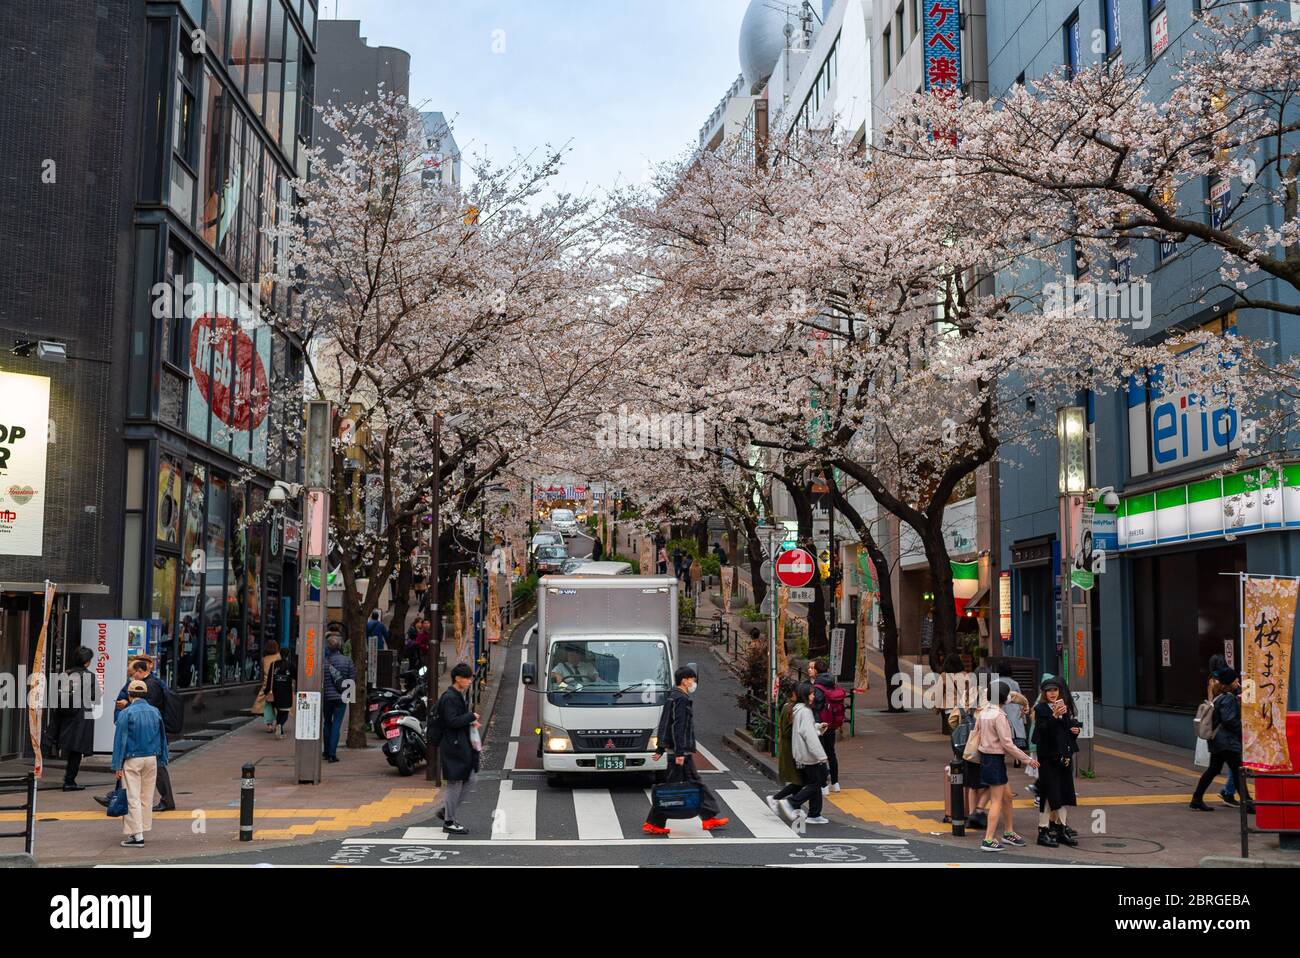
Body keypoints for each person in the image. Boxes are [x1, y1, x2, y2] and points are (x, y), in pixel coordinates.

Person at [644, 666, 730, 834]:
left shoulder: (672, 696)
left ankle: (708, 817)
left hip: (678, 751)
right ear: (684, 680)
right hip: (680, 753)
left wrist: (661, 748)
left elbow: (665, 723)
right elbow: (678, 726)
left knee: (695, 784)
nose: (693, 682)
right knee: (673, 787)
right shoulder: (681, 699)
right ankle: (654, 822)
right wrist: (679, 753)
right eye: (692, 679)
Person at [96, 657, 175, 812]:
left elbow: (147, 707)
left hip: (145, 734)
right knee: (153, 768)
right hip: (150, 735)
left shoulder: (149, 685)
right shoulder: (154, 683)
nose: (132, 678)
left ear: (140, 672)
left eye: (133, 674)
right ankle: (118, 795)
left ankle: (164, 800)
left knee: (152, 769)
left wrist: (127, 705)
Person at [974, 681, 1039, 852]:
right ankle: (988, 839)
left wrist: (1024, 704)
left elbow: (976, 733)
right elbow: (1008, 744)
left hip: (986, 758)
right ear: (1004, 698)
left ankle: (1009, 832)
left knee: (1008, 796)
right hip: (995, 759)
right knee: (996, 801)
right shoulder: (999, 716)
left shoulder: (983, 712)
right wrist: (1027, 760)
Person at [111, 679, 170, 848]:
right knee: (146, 797)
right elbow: (162, 737)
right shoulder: (155, 712)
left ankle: (137, 835)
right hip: (152, 758)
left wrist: (117, 765)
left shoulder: (126, 713)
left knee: (132, 797)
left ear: (129, 695)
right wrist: (162, 758)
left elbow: (120, 741)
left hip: (132, 758)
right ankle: (142, 829)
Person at [1191, 668, 1253, 812]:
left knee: (1213, 769)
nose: (1238, 682)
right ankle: (1248, 803)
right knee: (1238, 772)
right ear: (1230, 682)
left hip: (1217, 740)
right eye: (1236, 680)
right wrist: (1242, 729)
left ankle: (1197, 798)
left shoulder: (1220, 696)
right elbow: (1229, 720)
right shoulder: (1228, 698)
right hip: (1227, 742)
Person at [1031, 676, 1081, 847]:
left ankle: (1060, 829)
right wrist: (1053, 716)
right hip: (1048, 758)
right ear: (1044, 693)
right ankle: (1043, 831)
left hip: (1064, 757)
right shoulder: (1040, 709)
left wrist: (1075, 730)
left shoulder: (1063, 708)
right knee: (1048, 795)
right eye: (1049, 691)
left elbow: (1065, 732)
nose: (1052, 693)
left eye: (1055, 690)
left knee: (1064, 793)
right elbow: (1039, 735)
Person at [777, 681, 831, 827]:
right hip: (809, 755)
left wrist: (818, 727)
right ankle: (791, 802)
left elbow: (804, 731)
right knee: (816, 782)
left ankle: (814, 813)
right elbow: (809, 736)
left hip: (801, 753)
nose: (814, 696)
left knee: (813, 782)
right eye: (812, 693)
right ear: (805, 695)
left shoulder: (798, 710)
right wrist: (822, 756)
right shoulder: (806, 712)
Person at [436, 663, 481, 835]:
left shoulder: (455, 695)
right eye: (467, 678)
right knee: (456, 782)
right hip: (453, 745)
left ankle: (447, 811)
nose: (470, 681)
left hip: (458, 743)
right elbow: (452, 721)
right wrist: (470, 716)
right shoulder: (449, 697)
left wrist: (470, 720)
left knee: (469, 779)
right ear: (458, 678)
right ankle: (448, 820)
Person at [46, 646, 99, 791]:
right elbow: (93, 696)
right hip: (80, 716)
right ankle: (69, 781)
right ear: (87, 661)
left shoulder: (65, 674)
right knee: (77, 749)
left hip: (63, 715)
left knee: (67, 745)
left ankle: (68, 778)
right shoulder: (89, 676)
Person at [808, 657, 845, 794]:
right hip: (832, 723)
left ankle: (823, 785)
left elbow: (815, 706)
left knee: (821, 755)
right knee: (831, 754)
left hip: (820, 725)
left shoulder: (818, 687)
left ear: (817, 671)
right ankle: (835, 783)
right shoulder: (832, 683)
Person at [766, 681, 802, 813]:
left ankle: (793, 806)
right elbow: (786, 731)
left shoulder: (791, 707)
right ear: (795, 694)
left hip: (791, 747)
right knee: (799, 780)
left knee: (798, 780)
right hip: (790, 748)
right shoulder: (790, 708)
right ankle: (777, 799)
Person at [321, 634, 355, 763]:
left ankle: (326, 751)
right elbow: (352, 678)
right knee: (337, 724)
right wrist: (349, 695)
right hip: (342, 696)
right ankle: (332, 754)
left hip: (327, 697)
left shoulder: (323, 662)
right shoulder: (347, 661)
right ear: (339, 646)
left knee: (327, 722)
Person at [260, 640, 294, 739]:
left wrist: (266, 691)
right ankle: (280, 725)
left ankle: (279, 729)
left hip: (274, 692)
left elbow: (270, 678)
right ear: (288, 655)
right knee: (285, 712)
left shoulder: (274, 664)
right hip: (286, 693)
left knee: (278, 710)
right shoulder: (290, 665)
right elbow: (296, 676)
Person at [250, 639, 282, 730]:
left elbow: (263, 673)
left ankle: (269, 725)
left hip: (267, 684)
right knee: (278, 705)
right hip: (278, 684)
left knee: (268, 705)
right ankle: (278, 723)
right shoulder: (278, 656)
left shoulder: (264, 659)